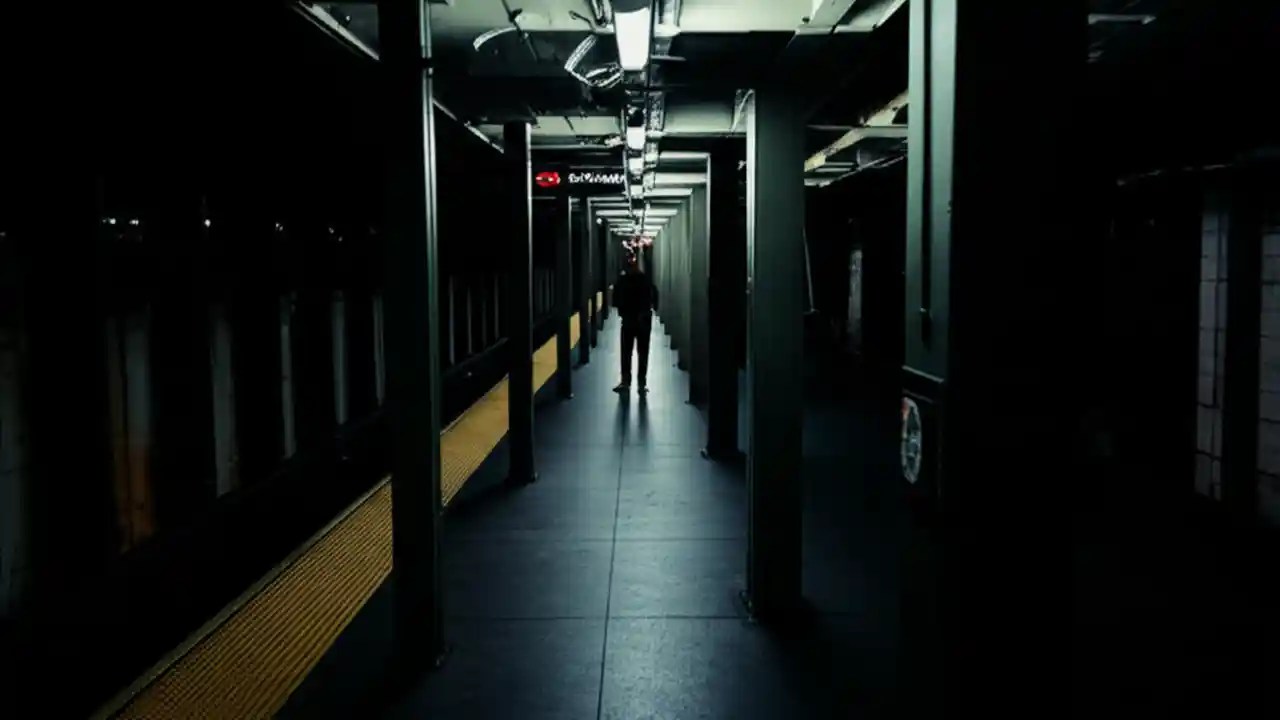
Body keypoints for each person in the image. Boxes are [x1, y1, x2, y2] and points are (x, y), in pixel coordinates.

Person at [612, 251, 658, 394]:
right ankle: (641, 384)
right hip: (643, 320)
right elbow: (654, 295)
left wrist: (622, 310)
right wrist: (651, 309)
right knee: (643, 352)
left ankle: (626, 382)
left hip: (628, 321)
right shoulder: (645, 279)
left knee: (626, 352)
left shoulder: (623, 280)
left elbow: (615, 299)